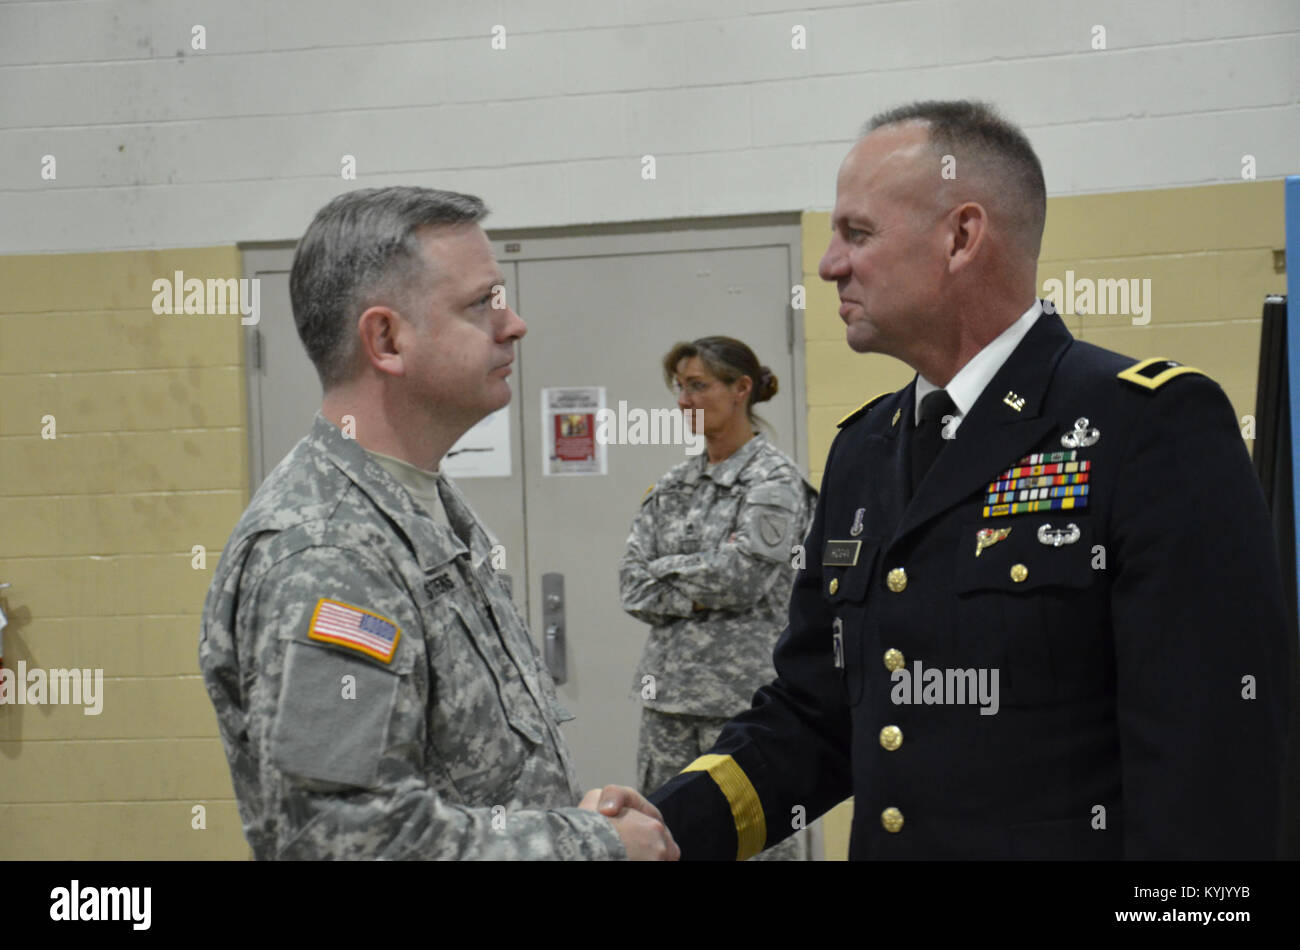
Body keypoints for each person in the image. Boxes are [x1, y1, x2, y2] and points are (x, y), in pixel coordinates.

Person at [602, 100, 1292, 859]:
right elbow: (816, 716)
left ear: (962, 237)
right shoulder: (866, 449)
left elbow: (1211, 756)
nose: (831, 263)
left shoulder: (1146, 427)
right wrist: (666, 830)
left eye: (857, 233)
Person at [199, 186, 677, 860]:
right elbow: (348, 841)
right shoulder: (328, 553)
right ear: (386, 339)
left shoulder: (422, 508)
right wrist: (592, 845)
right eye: (482, 304)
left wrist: (559, 816)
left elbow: (462, 779)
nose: (514, 325)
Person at [619, 337, 817, 860]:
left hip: (742, 704)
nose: (684, 401)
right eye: (680, 388)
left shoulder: (773, 481)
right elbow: (632, 586)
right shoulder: (673, 484)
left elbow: (742, 580)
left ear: (740, 389)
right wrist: (700, 579)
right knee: (663, 840)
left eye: (699, 386)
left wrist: (668, 574)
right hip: (668, 702)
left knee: (757, 843)